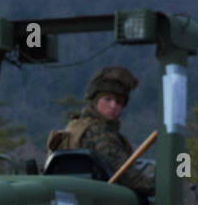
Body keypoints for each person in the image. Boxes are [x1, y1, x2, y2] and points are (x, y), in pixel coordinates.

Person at [47, 65, 155, 195]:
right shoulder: (101, 133)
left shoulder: (74, 126)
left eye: (119, 102)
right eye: (107, 99)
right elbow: (128, 177)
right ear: (95, 101)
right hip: (99, 202)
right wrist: (159, 185)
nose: (113, 106)